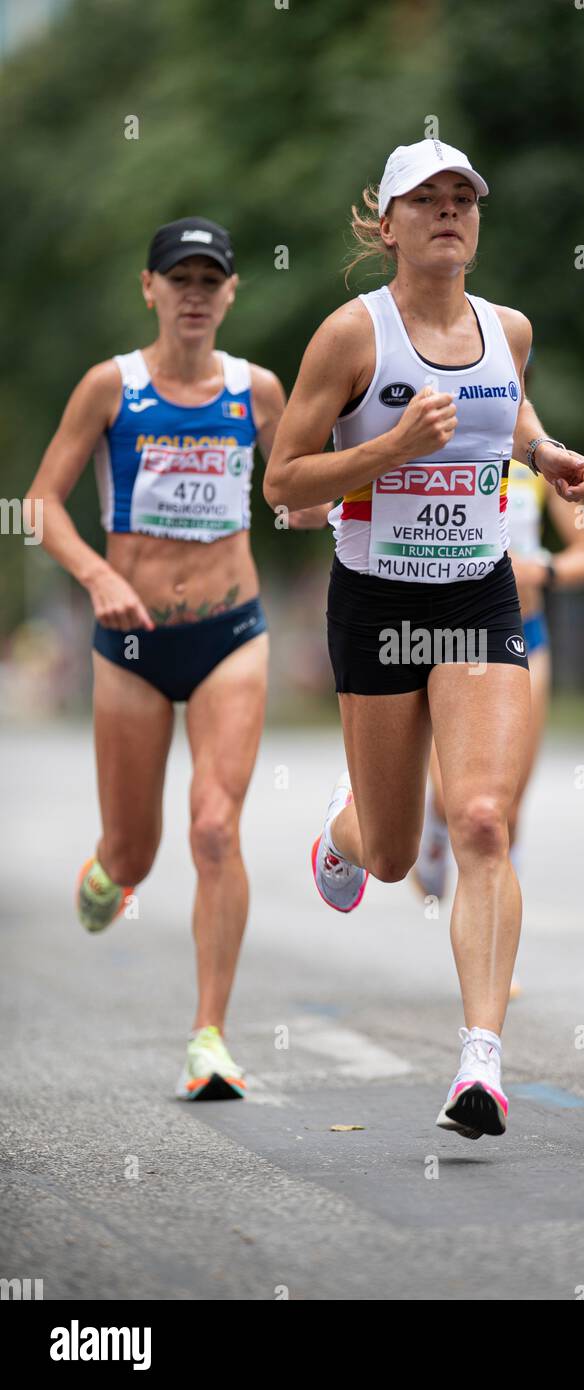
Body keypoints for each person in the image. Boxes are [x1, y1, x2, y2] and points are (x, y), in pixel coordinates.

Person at [264, 141, 584, 1141]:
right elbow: (282, 482)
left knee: (484, 820)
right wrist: (388, 450)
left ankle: (479, 1064)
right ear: (388, 224)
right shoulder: (348, 339)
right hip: (373, 602)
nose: (449, 213)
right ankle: (344, 828)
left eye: (463, 200)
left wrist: (544, 451)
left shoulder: (510, 330)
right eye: (427, 201)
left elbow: (510, 408)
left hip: (477, 599)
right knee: (398, 852)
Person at [25, 217, 326, 1101]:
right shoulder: (109, 388)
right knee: (137, 853)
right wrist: (93, 575)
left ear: (231, 293)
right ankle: (110, 866)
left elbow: (296, 491)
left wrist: (324, 506)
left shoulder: (257, 391)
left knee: (214, 827)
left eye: (210, 280)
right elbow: (41, 503)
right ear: (149, 289)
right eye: (178, 280)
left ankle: (210, 1039)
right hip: (131, 643)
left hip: (231, 631)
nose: (194, 295)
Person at [413, 426, 584, 997]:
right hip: (445, 632)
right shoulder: (449, 436)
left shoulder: (543, 459)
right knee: (457, 798)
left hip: (524, 634)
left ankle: (497, 952)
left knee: (505, 804)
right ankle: (431, 822)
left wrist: (541, 570)